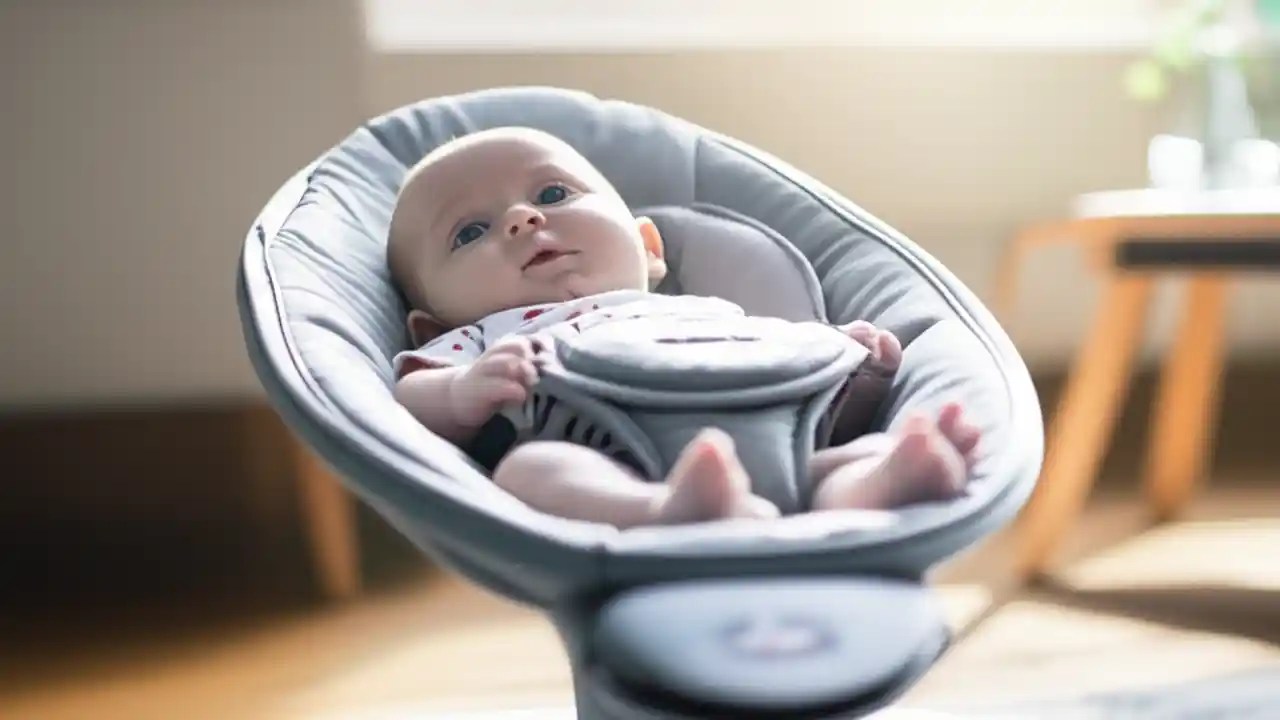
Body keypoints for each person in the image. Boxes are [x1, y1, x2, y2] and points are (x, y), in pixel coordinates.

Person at [387, 127, 980, 528]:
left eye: (552, 192)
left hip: (771, 434)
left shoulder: (704, 310)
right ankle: (662, 511)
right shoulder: (485, 337)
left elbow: (799, 379)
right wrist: (462, 391)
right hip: (605, 452)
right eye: (469, 232)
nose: (522, 218)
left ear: (647, 248)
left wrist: (853, 367)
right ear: (431, 324)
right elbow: (408, 398)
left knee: (858, 451)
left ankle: (874, 486)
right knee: (528, 472)